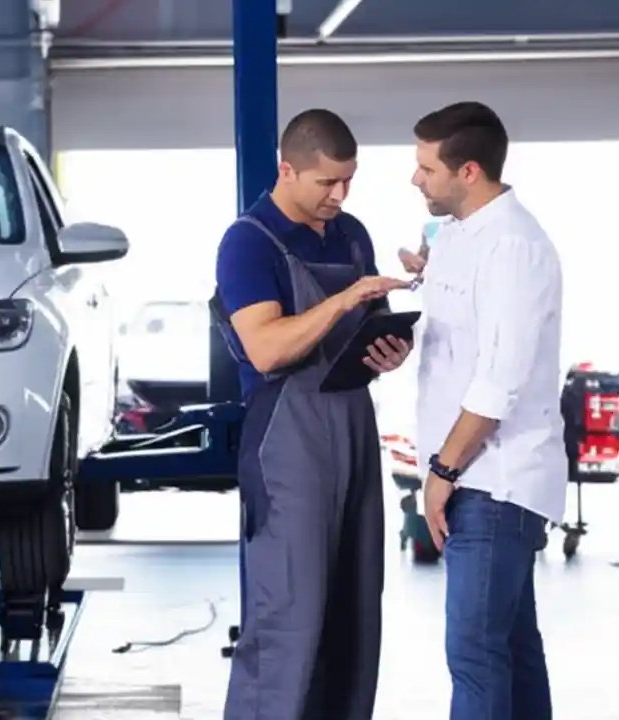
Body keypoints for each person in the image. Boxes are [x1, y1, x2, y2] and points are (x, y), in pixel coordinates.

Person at [211, 108, 412, 720]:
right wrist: (347, 299)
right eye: (327, 182)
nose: (340, 195)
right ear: (286, 170)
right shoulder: (248, 241)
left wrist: (388, 349)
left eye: (349, 180)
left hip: (352, 424)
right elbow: (266, 348)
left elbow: (364, 332)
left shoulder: (351, 234)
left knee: (354, 610)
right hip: (285, 442)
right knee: (288, 617)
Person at [408, 100, 565, 719]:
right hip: (475, 477)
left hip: (493, 482)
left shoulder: (514, 247)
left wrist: (441, 475)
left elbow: (499, 382)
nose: (416, 178)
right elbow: (463, 339)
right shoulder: (458, 235)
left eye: (426, 168)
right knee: (511, 650)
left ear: (468, 170)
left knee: (474, 654)